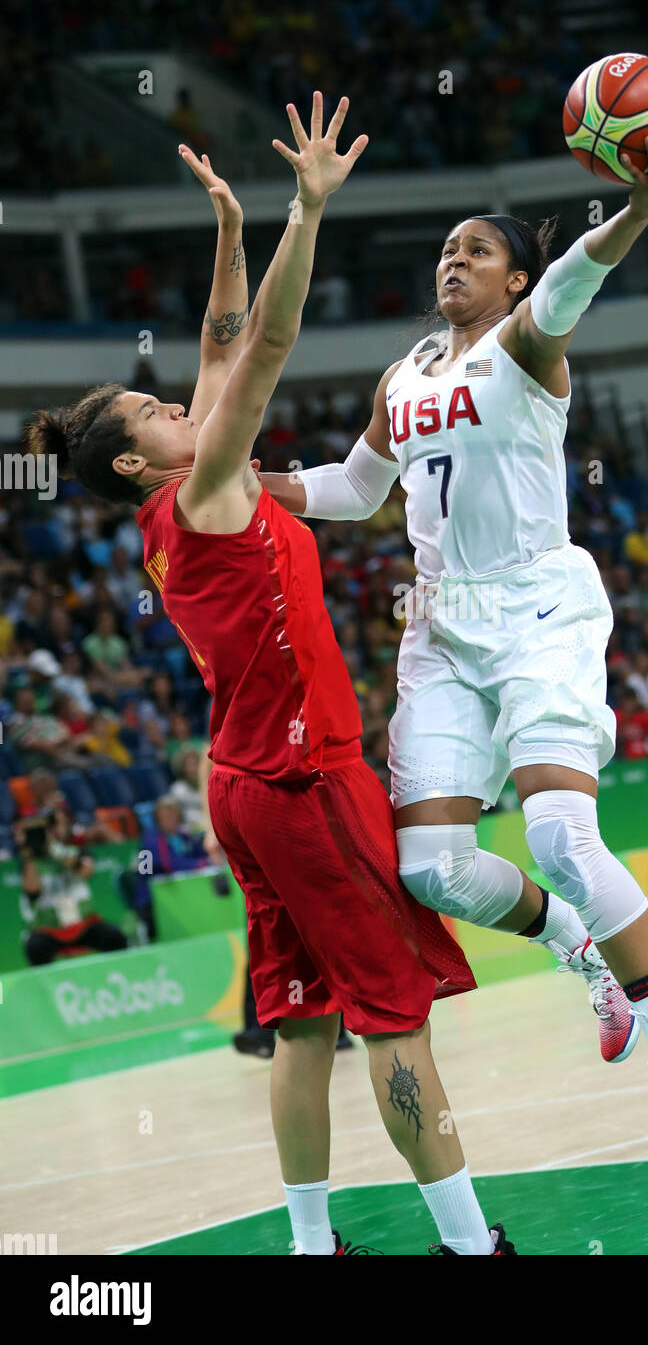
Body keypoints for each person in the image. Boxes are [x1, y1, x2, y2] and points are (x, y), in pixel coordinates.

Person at [26, 95, 515, 1256]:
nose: (181, 404)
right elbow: (266, 346)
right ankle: (466, 1245)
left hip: (241, 787)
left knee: (299, 1024)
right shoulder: (205, 489)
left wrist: (233, 230)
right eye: (157, 411)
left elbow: (217, 344)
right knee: (393, 1018)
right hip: (305, 783)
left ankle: (308, 1244)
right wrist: (306, 210)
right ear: (138, 460)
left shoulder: (177, 497)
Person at [259, 125, 648, 1173]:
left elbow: (574, 280)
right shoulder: (403, 374)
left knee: (559, 835)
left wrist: (641, 205)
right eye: (446, 249)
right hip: (440, 623)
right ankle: (581, 951)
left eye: (476, 250)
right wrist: (256, 484)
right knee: (428, 867)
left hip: (536, 607)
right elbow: (355, 488)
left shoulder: (526, 343)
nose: (453, 260)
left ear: (514, 278)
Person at [18, 809, 127, 965]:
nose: (56, 830)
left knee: (114, 936)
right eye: (50, 826)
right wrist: (29, 854)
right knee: (35, 947)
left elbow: (86, 872)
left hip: (83, 924)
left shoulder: (77, 849)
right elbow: (32, 889)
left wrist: (56, 851)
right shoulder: (31, 861)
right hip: (50, 928)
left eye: (59, 824)